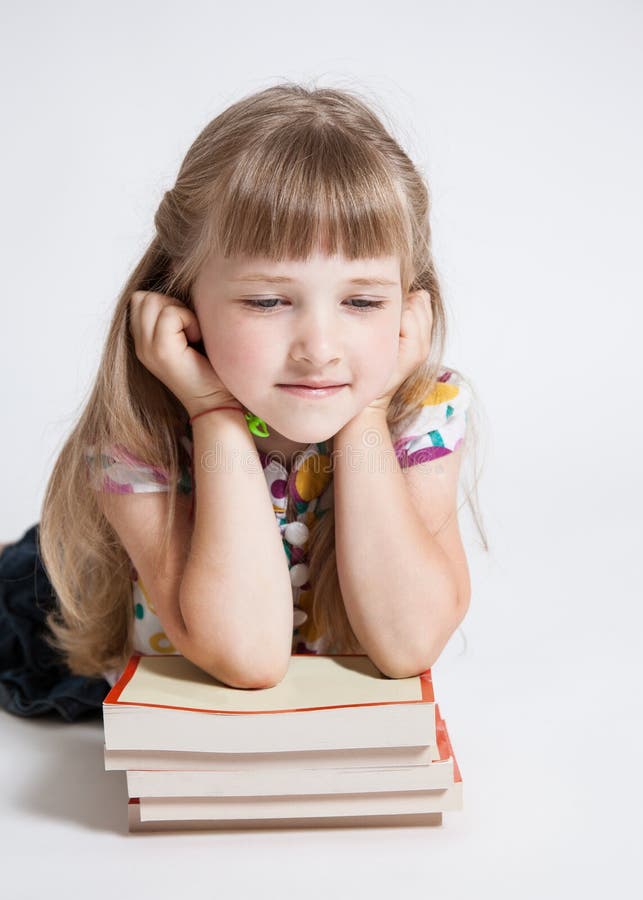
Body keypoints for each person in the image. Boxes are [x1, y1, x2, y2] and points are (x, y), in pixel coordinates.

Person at [1, 81, 487, 721]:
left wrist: (368, 415)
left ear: (408, 306)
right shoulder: (137, 431)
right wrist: (211, 411)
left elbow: (409, 644)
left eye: (362, 301)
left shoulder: (422, 410)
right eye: (267, 300)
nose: (320, 349)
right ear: (183, 300)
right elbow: (247, 656)